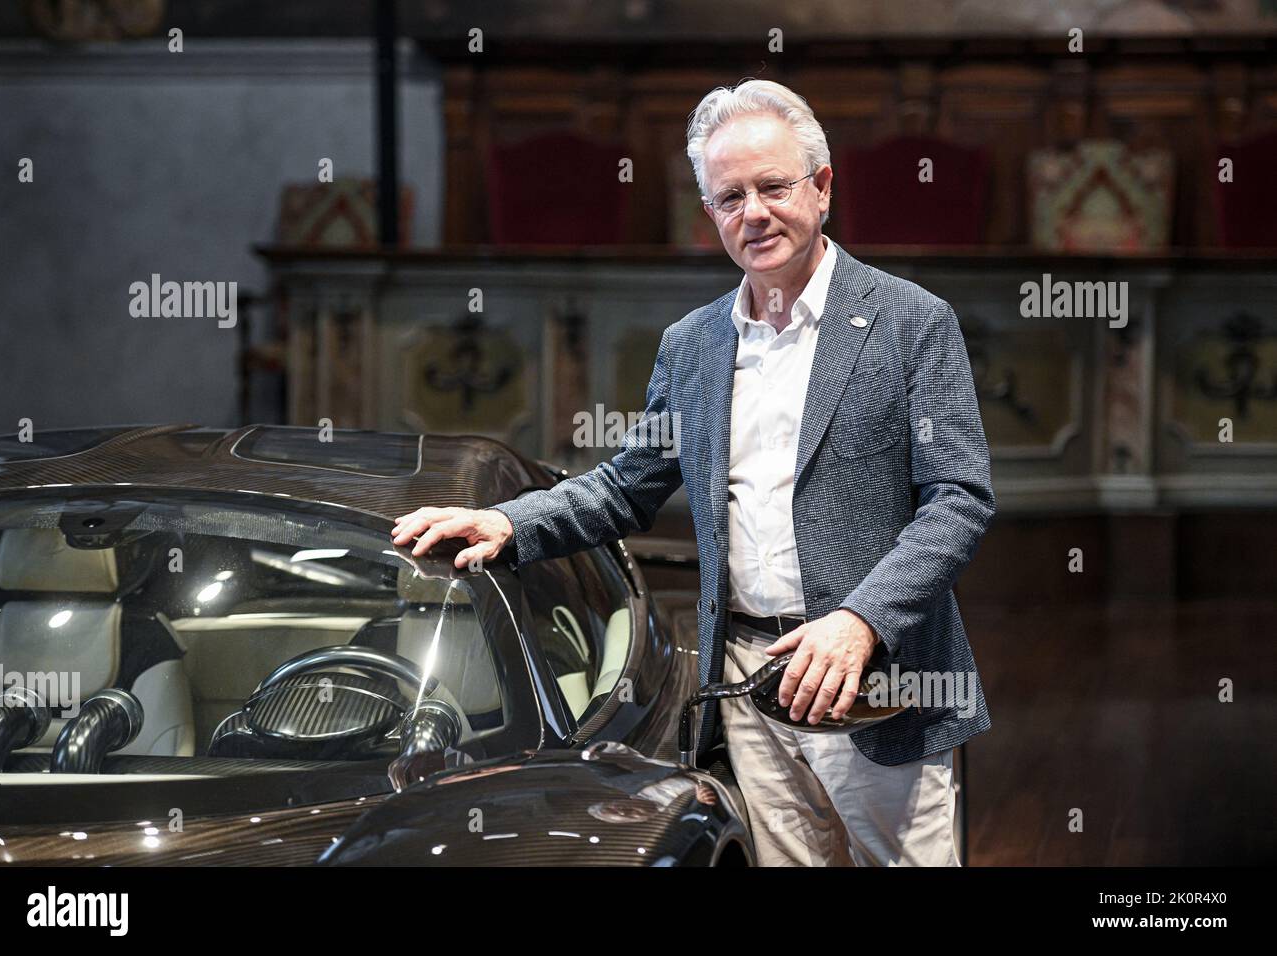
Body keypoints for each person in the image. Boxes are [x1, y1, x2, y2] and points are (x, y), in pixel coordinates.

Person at [392, 78, 995, 866]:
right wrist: (511, 522)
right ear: (710, 213)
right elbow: (627, 485)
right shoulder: (693, 343)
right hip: (749, 685)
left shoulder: (911, 321)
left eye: (774, 187)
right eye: (729, 196)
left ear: (822, 186)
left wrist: (862, 621)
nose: (754, 213)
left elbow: (958, 499)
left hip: (877, 682)